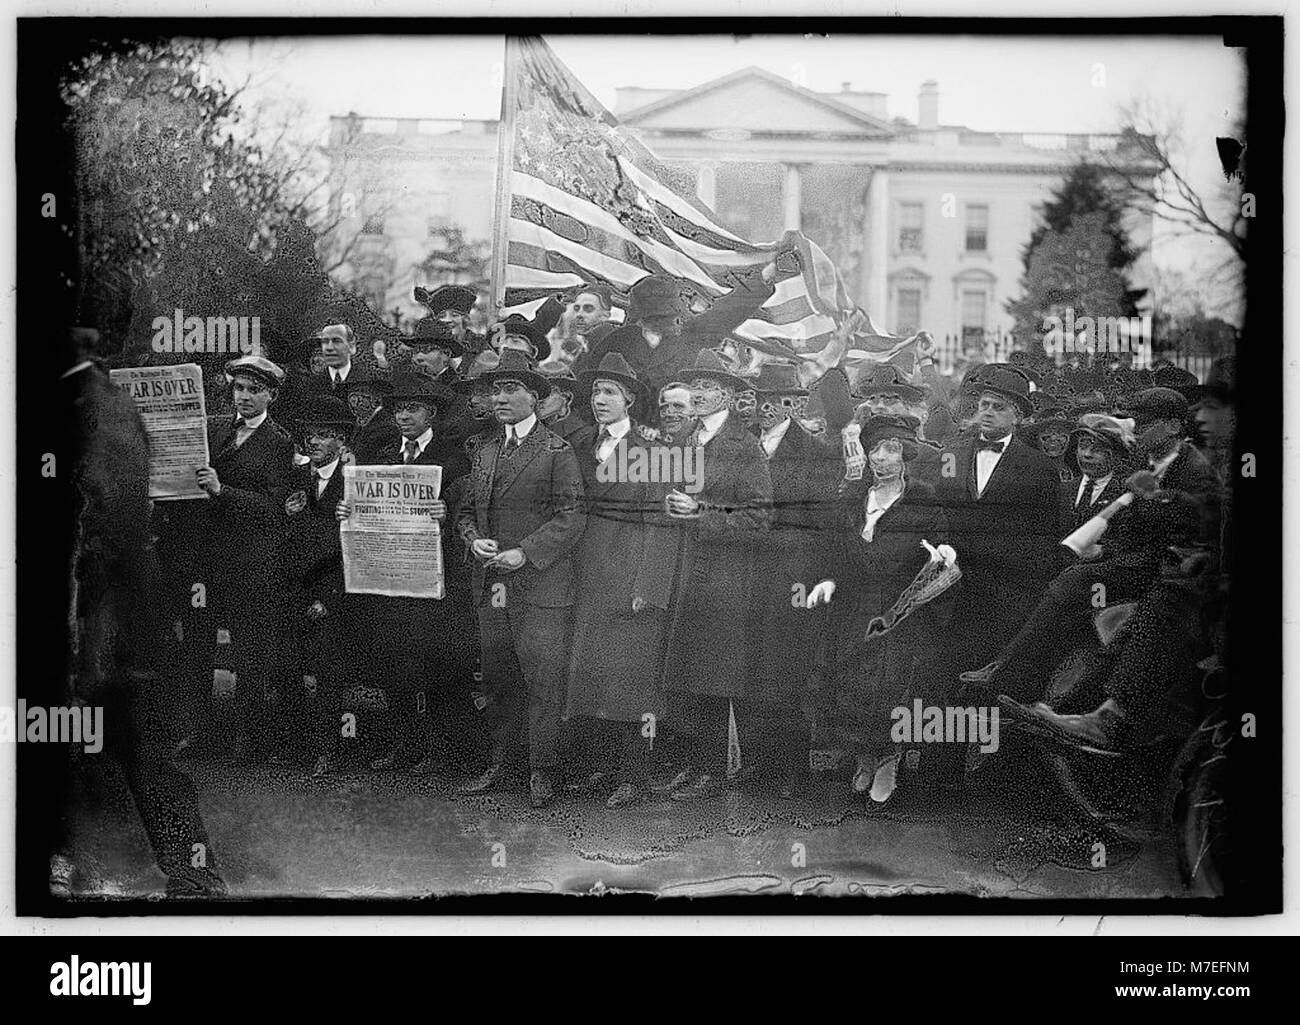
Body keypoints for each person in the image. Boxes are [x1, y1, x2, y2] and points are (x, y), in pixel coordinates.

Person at [48, 327, 225, 898]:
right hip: (114, 614)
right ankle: (190, 871)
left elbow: (109, 523)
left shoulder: (98, 409)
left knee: (138, 746)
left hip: (104, 615)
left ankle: (194, 876)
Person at [454, 350, 587, 807]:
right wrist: (473, 541)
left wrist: (524, 553)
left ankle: (542, 770)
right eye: (496, 389)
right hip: (491, 588)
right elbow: (467, 512)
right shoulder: (486, 450)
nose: (501, 397)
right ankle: (504, 763)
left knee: (543, 680)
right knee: (498, 676)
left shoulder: (557, 450)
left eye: (511, 389)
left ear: (535, 397)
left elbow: (572, 518)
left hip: (542, 589)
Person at [806, 415, 954, 804]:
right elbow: (834, 551)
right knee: (852, 687)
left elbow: (941, 549)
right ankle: (864, 757)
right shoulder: (853, 499)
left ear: (905, 456)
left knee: (890, 689)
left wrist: (944, 553)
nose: (882, 459)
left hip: (898, 612)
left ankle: (890, 758)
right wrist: (829, 580)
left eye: (891, 450)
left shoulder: (922, 499)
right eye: (875, 450)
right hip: (854, 608)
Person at [156, 355, 296, 762]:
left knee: (249, 656)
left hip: (248, 564)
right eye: (239, 388)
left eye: (255, 390)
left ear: (271, 394)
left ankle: (246, 740)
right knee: (196, 649)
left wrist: (223, 491)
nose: (245, 397)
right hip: (202, 561)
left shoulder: (279, 442)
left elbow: (274, 506)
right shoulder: (213, 427)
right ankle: (199, 733)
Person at [336, 374, 473, 775]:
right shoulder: (379, 455)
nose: (402, 417)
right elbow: (363, 506)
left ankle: (437, 750)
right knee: (393, 664)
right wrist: (348, 512)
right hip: (388, 578)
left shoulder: (451, 458)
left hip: (433, 580)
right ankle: (403, 744)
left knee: (432, 666)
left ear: (430, 413)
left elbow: (466, 512)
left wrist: (445, 514)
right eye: (398, 409)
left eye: (411, 409)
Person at [929, 363, 1061, 778]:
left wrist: (1026, 591)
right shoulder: (952, 455)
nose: (986, 412)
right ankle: (938, 774)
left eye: (998, 407)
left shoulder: (1039, 467)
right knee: (945, 678)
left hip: (1006, 595)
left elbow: (1048, 537)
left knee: (993, 684)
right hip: (953, 591)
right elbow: (939, 512)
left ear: (1018, 415)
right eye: (983, 404)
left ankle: (994, 778)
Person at [564, 354, 678, 808]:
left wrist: (649, 586)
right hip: (586, 574)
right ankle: (600, 768)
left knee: (632, 682)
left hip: (629, 577)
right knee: (590, 678)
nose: (600, 401)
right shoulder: (577, 446)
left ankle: (634, 775)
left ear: (629, 399)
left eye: (610, 393)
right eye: (595, 393)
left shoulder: (653, 452)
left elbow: (662, 523)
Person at [659, 348, 773, 801]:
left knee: (715, 675)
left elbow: (759, 517)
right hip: (682, 572)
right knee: (686, 674)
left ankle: (714, 768)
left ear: (727, 394)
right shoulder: (682, 440)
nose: (700, 394)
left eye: (708, 387)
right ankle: (694, 762)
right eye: (696, 387)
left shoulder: (744, 445)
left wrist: (701, 513)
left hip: (724, 577)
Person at [745, 362, 842, 797]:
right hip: (747, 574)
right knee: (749, 670)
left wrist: (812, 578)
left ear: (795, 405)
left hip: (793, 574)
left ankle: (788, 768)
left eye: (779, 400)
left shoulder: (817, 452)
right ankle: (754, 764)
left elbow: (821, 524)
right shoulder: (743, 444)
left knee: (789, 670)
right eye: (762, 399)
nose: (768, 408)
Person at [276, 395, 357, 777]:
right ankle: (293, 745)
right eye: (309, 435)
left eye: (323, 435)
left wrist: (329, 597)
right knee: (287, 668)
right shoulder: (297, 479)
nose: (313, 442)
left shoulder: (356, 481)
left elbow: (359, 547)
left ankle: (329, 750)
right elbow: (287, 538)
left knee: (327, 676)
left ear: (341, 441)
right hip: (295, 588)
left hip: (335, 594)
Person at [586, 264, 776, 401]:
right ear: (643, 317)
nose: (675, 320)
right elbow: (587, 382)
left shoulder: (689, 336)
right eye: (664, 316)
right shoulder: (617, 340)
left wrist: (763, 281)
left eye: (674, 314)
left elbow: (726, 312)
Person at [341, 371, 399, 465]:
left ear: (375, 400)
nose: (353, 406)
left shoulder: (387, 427)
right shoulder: (360, 423)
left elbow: (363, 456)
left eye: (357, 399)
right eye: (351, 400)